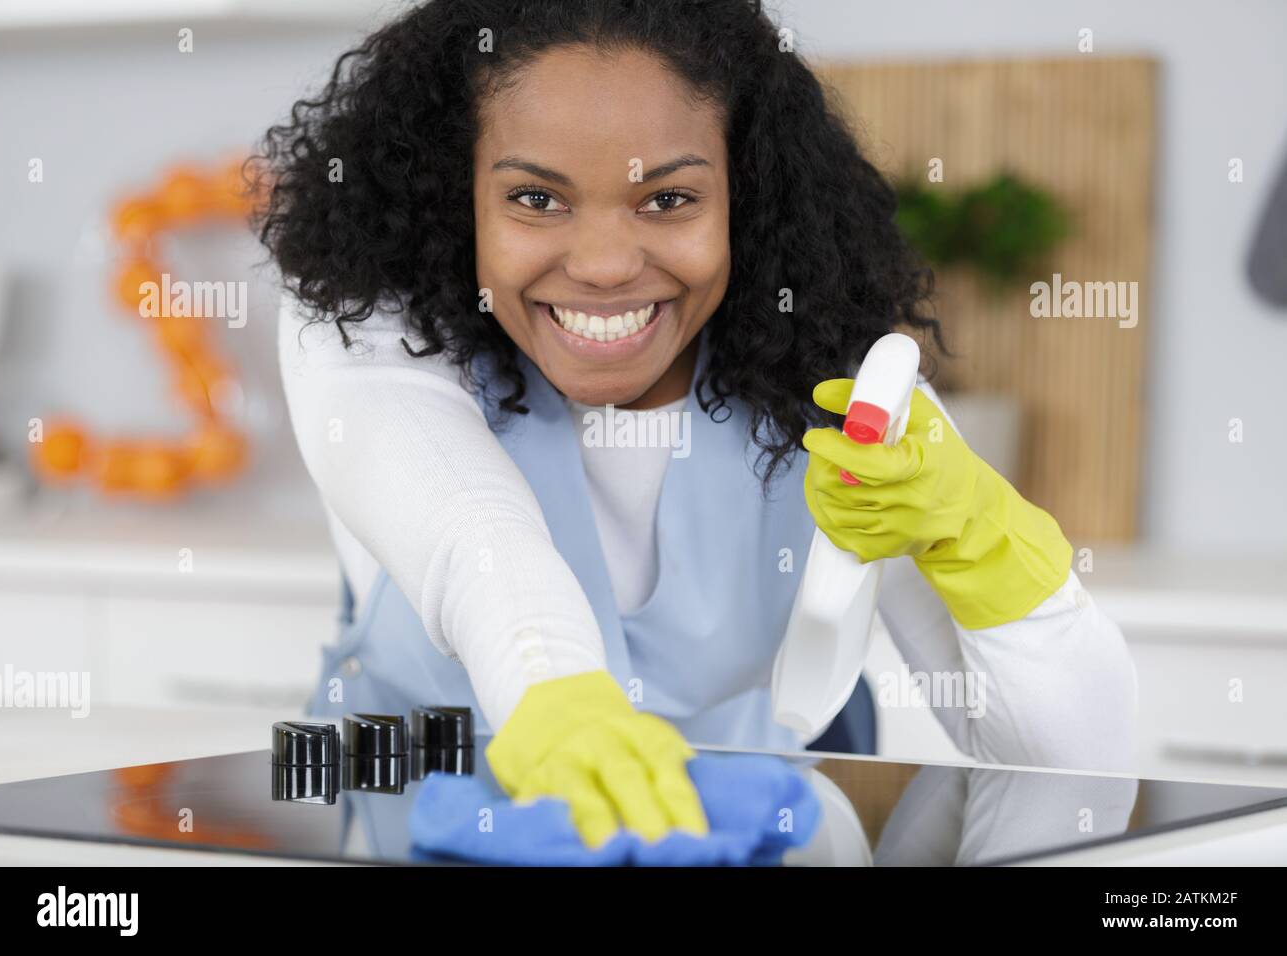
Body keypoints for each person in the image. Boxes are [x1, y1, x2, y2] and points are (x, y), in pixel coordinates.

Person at [262, 0, 1137, 849]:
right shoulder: (360, 331)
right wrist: (557, 692)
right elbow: (472, 537)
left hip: (734, 834)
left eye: (668, 200)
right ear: (454, 204)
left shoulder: (830, 381)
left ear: (744, 201)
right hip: (397, 819)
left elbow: (1078, 776)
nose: (604, 265)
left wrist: (983, 539)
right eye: (535, 198)